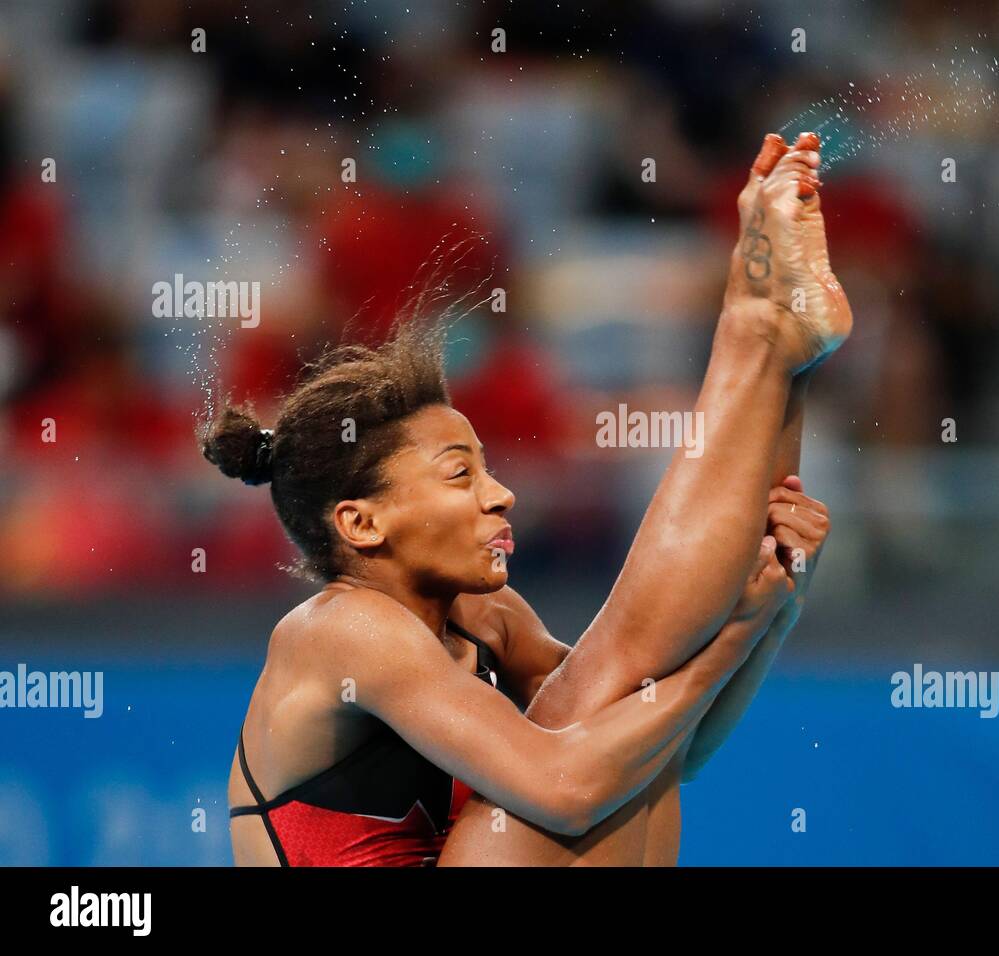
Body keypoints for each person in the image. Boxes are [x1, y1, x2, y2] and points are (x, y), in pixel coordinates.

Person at [211, 131, 850, 865]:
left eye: (487, 469)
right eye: (460, 476)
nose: (502, 494)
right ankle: (756, 331)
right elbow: (566, 790)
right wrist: (737, 635)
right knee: (593, 733)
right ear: (360, 523)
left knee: (630, 728)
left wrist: (774, 607)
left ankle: (786, 351)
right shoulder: (338, 632)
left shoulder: (484, 616)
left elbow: (676, 744)